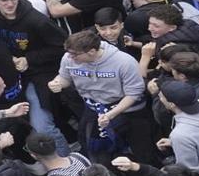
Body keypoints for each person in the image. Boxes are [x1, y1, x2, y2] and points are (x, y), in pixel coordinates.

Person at [49, 29, 155, 165]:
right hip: (94, 108)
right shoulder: (69, 58)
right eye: (69, 53)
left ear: (91, 52)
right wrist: (57, 83)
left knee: (142, 151)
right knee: (92, 147)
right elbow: (64, 77)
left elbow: (134, 93)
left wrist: (111, 114)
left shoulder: (124, 62)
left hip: (127, 109)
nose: (70, 58)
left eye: (74, 55)